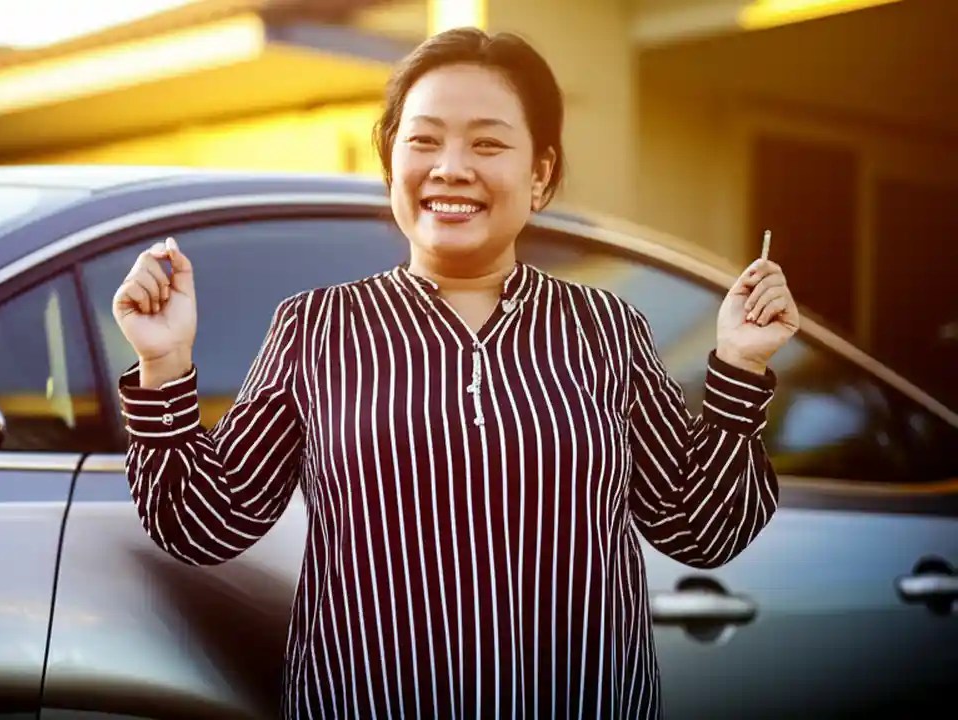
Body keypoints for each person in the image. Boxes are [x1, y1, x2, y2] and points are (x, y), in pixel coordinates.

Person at [110, 26, 799, 720]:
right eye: (424, 140)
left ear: (539, 173)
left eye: (489, 143)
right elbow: (202, 525)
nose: (450, 166)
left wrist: (740, 365)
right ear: (390, 168)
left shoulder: (606, 331)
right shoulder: (316, 328)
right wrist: (164, 362)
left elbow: (702, 528)